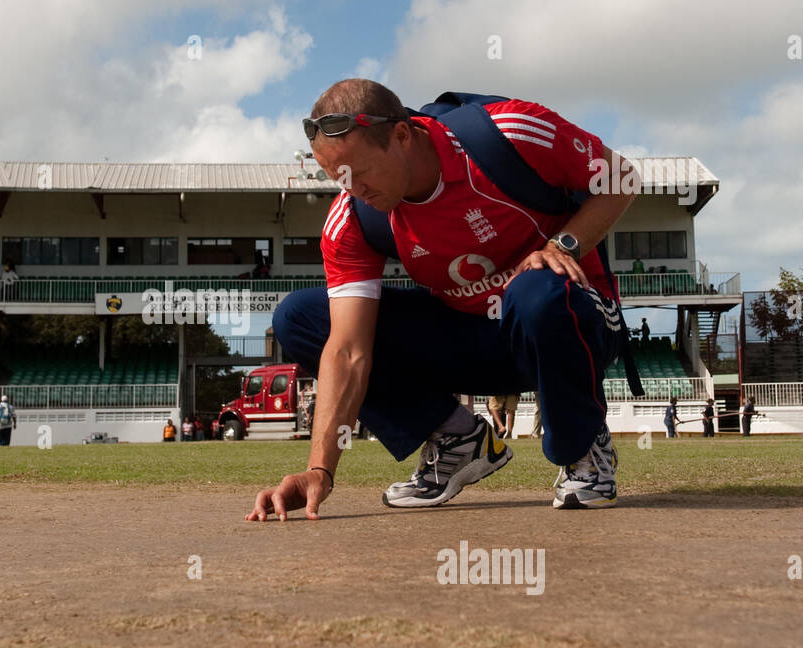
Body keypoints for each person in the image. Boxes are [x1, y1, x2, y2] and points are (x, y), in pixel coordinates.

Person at [250, 79, 635, 519]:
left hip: (564, 317)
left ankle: (584, 449)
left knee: (534, 289)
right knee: (299, 317)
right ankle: (459, 439)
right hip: (475, 340)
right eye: (337, 177)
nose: (352, 189)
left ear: (401, 135)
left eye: (359, 172)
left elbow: (622, 177)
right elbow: (348, 350)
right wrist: (319, 470)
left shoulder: (508, 132)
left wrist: (562, 245)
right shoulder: (354, 217)